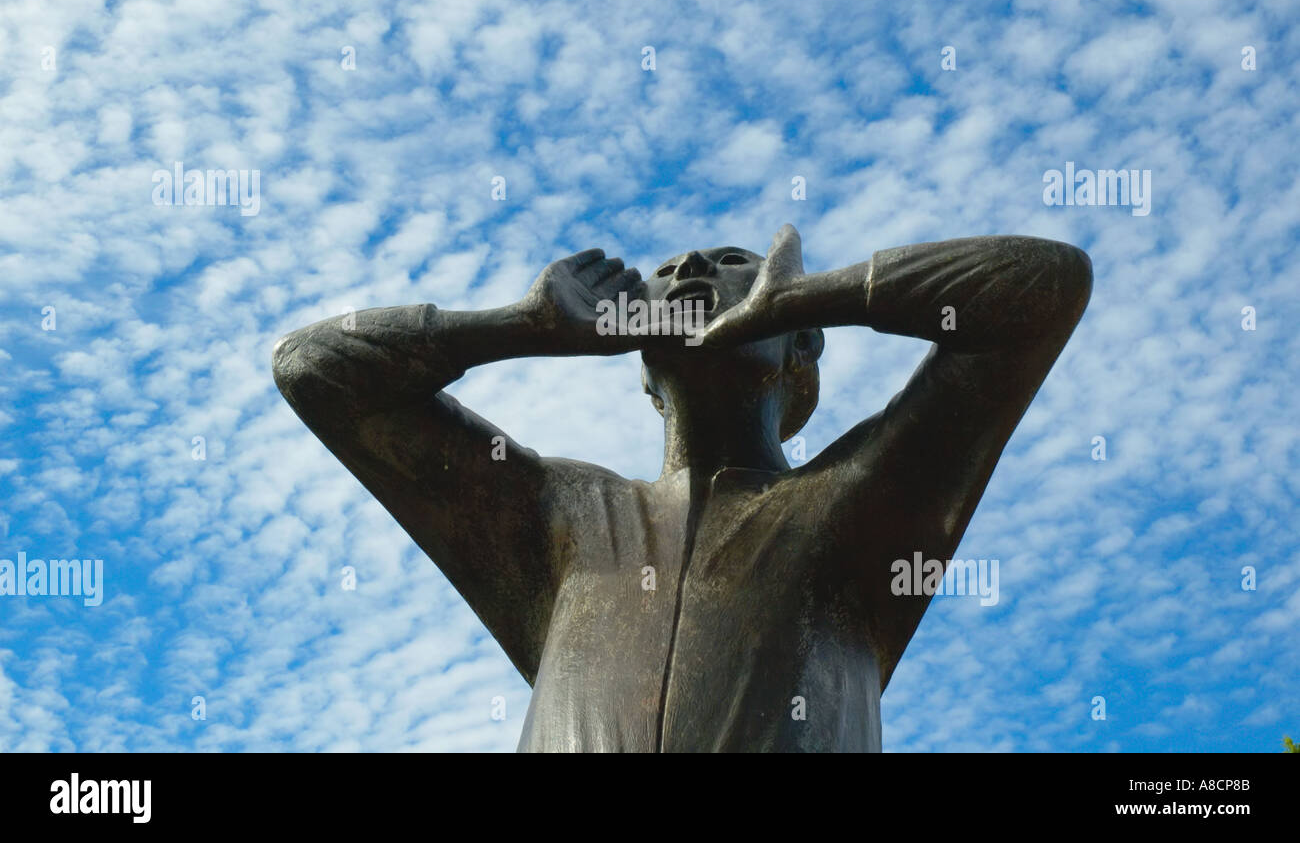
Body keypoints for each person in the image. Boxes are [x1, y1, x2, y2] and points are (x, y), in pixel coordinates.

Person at [272, 224, 1092, 751]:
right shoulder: (561, 517)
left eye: (732, 263)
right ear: (639, 363)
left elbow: (1044, 287)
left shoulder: (855, 502)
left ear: (801, 348)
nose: (693, 267)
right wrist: (519, 327)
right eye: (667, 271)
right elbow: (311, 370)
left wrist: (814, 296)